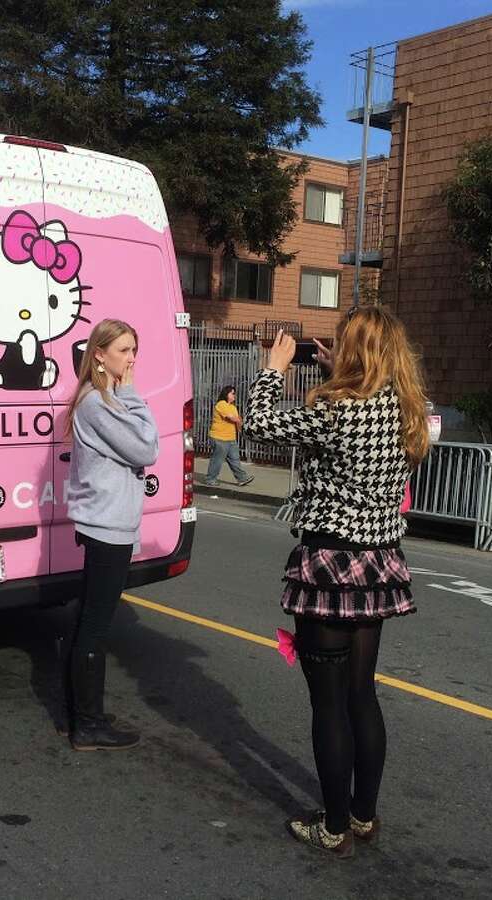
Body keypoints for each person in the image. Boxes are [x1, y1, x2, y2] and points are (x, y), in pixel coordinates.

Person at [243, 306, 431, 856]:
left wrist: (274, 368)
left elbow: (260, 423)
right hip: (377, 564)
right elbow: (358, 442)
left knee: (327, 706)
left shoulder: (338, 409)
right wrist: (334, 375)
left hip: (328, 565)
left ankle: (333, 828)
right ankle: (365, 816)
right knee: (362, 696)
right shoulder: (404, 409)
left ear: (354, 351)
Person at [61, 318, 159, 751]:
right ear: (99, 354)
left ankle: (79, 714)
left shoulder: (102, 399)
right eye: (124, 350)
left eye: (134, 349)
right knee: (96, 626)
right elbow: (146, 449)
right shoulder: (98, 404)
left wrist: (125, 392)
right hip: (107, 527)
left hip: (104, 522)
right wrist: (133, 393)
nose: (132, 359)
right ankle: (88, 724)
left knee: (87, 619)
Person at [200, 385, 254, 487]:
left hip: (231, 438)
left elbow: (237, 420)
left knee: (235, 459)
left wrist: (242, 430)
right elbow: (232, 418)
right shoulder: (221, 404)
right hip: (219, 438)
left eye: (235, 393)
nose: (234, 395)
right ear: (226, 394)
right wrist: (239, 421)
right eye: (232, 393)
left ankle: (242, 478)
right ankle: (210, 479)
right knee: (217, 460)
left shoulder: (233, 407)